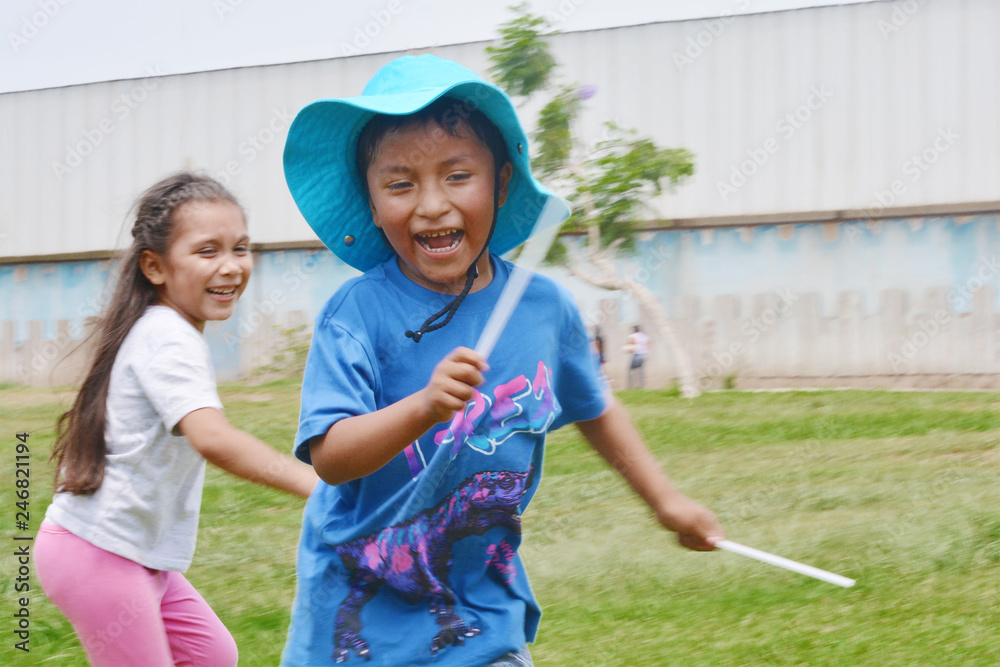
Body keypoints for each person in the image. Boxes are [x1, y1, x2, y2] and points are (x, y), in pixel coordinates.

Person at [280, 54, 724, 667]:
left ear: (503, 183)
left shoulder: (543, 308)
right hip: (358, 624)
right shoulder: (355, 315)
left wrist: (664, 501)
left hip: (479, 613)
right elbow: (331, 457)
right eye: (401, 183)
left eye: (457, 175)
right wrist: (423, 408)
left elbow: (594, 405)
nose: (432, 205)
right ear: (372, 201)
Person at [35, 172, 318, 667]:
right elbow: (213, 438)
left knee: (212, 655)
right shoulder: (168, 337)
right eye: (208, 251)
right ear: (155, 266)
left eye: (240, 248)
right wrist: (316, 485)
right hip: (98, 551)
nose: (231, 267)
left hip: (133, 555)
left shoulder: (164, 329)